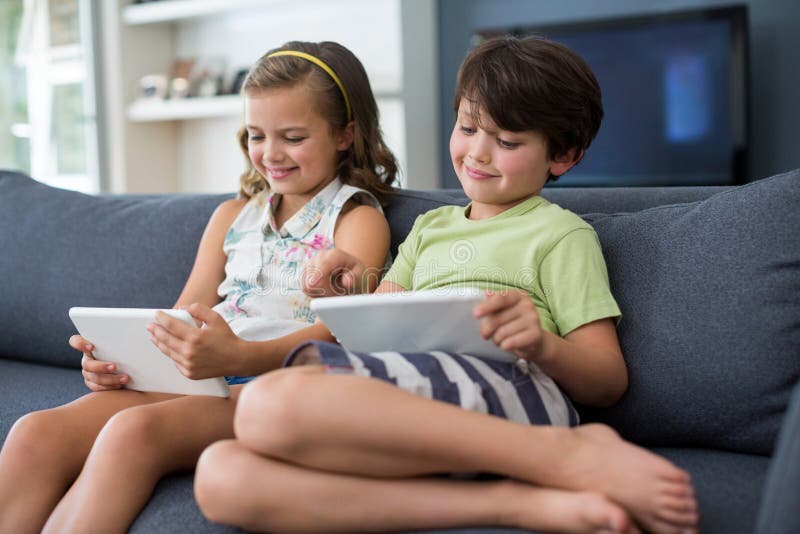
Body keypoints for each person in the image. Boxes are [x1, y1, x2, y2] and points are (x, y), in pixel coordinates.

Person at [194, 36, 700, 534]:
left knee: (266, 405)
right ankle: (512, 504)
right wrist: (343, 297)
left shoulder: (560, 234)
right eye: (468, 127)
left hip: (508, 387)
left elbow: (607, 381)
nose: (478, 153)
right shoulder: (429, 229)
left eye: (507, 142)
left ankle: (565, 452)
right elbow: (376, 326)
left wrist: (542, 344)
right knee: (220, 476)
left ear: (563, 155)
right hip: (413, 387)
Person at [0, 40, 397, 534]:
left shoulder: (356, 217)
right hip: (202, 377)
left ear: (345, 134)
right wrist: (119, 359)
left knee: (133, 432)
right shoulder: (233, 216)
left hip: (267, 388)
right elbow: (181, 316)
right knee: (34, 432)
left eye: (292, 137)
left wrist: (236, 357)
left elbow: (340, 334)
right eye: (256, 135)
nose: (270, 154)